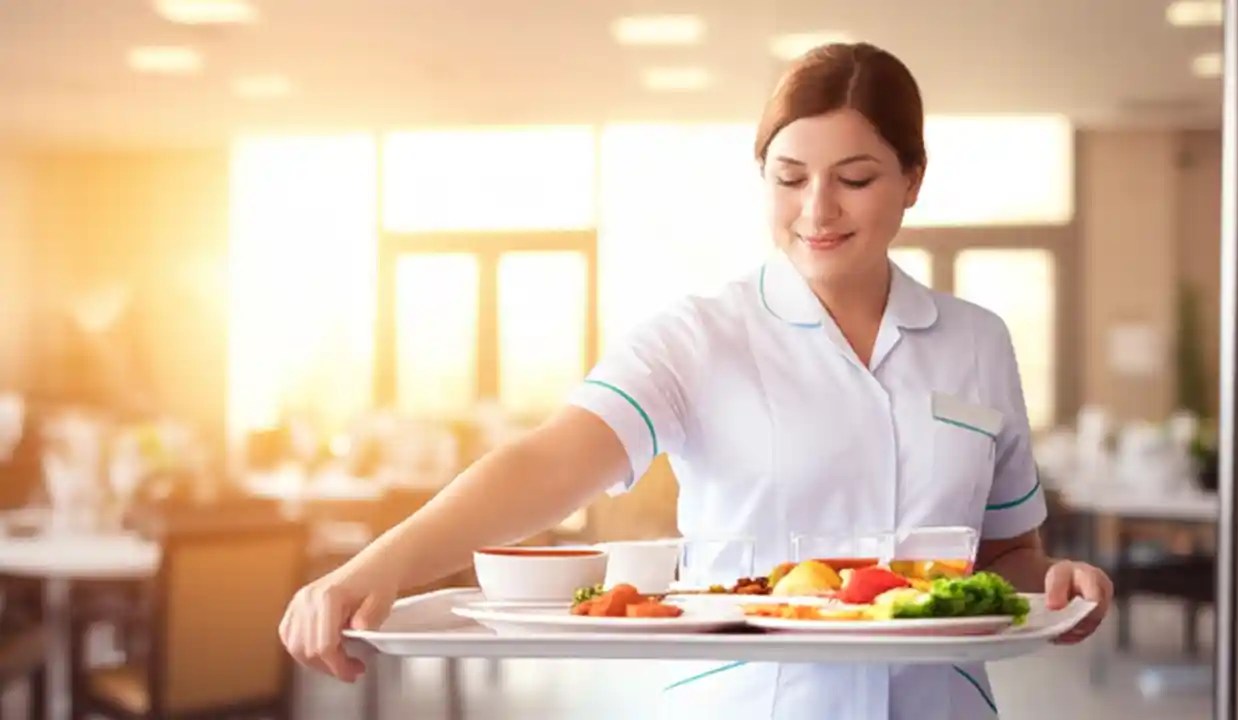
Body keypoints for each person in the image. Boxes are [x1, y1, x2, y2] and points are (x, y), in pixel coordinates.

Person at [279, 42, 1113, 719]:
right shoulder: (700, 335)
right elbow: (546, 463)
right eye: (789, 179)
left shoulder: (977, 341)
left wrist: (1061, 582)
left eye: (854, 179)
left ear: (912, 181)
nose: (817, 210)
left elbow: (1005, 554)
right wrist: (376, 566)